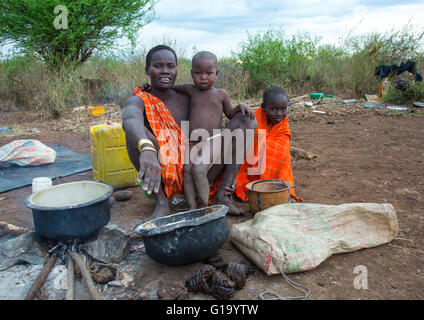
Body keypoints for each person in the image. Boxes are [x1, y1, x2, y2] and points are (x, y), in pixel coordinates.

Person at [122, 45, 256, 220]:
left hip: (200, 169)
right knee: (134, 134)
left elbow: (221, 117)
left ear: (177, 69)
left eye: (170, 66)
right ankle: (162, 202)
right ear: (147, 69)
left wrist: (239, 109)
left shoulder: (191, 96)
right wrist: (146, 148)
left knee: (246, 120)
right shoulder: (140, 100)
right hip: (161, 173)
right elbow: (130, 119)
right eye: (158, 66)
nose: (165, 71)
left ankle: (223, 192)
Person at [172, 51, 254, 210]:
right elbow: (170, 87)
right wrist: (150, 88)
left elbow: (230, 114)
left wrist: (240, 107)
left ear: (216, 73)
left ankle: (204, 206)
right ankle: (191, 207)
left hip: (212, 140)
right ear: (191, 73)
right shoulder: (190, 90)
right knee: (187, 172)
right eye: (198, 73)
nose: (203, 77)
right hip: (192, 141)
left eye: (208, 73)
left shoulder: (221, 94)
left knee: (198, 169)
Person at [234, 86, 303, 203]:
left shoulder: (283, 126)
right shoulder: (252, 120)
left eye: (283, 109)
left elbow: (284, 159)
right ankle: (251, 188)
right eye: (274, 109)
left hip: (265, 168)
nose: (279, 114)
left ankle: (283, 190)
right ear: (263, 108)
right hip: (248, 172)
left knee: (281, 155)